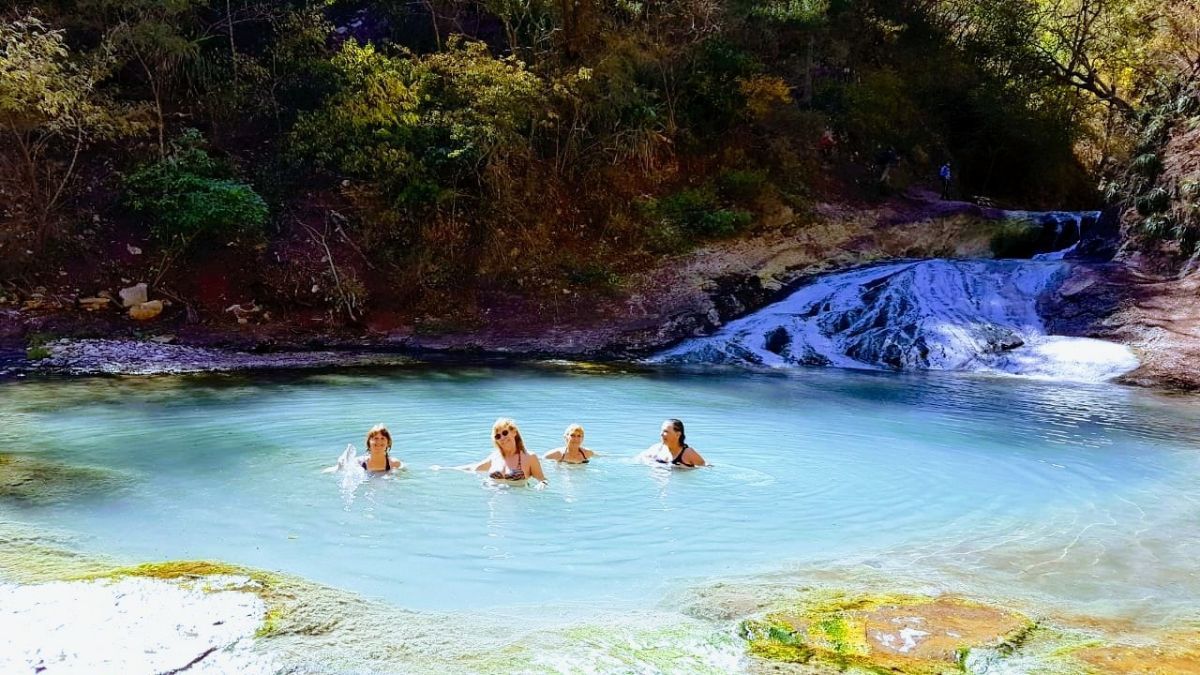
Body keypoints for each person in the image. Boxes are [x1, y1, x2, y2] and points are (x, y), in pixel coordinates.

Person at [471, 418, 547, 486]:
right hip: (493, 496)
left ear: (514, 432)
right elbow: (474, 468)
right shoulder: (494, 457)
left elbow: (542, 480)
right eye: (498, 436)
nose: (502, 438)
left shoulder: (529, 457)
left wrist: (542, 485)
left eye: (505, 433)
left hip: (519, 497)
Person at [639, 419, 706, 467]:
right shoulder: (657, 448)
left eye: (666, 431)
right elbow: (639, 458)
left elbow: (707, 468)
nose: (661, 434)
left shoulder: (688, 453)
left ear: (677, 435)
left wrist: (689, 469)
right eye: (662, 431)